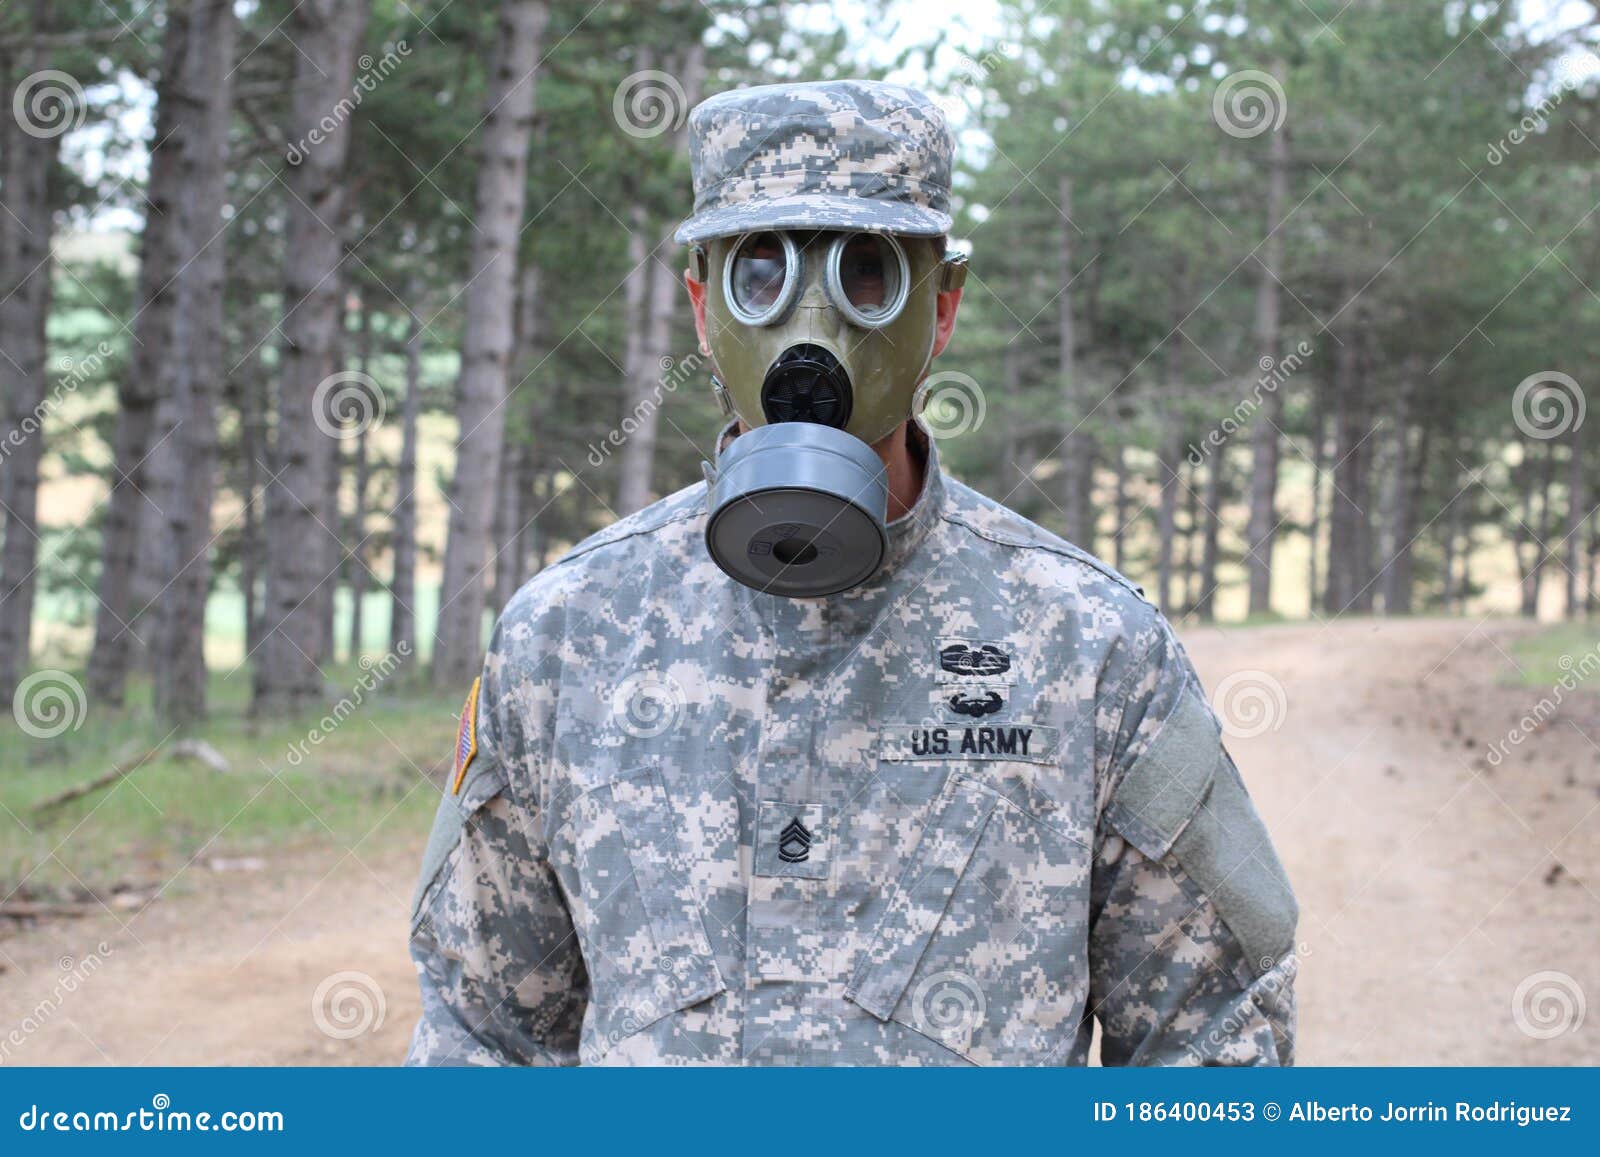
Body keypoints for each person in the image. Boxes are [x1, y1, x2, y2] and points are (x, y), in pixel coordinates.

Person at [405, 79, 1298, 1066]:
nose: (813, 328)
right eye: (761, 273)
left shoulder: (1093, 650)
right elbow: (477, 1036)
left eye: (867, 274)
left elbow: (1215, 1039)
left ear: (942, 307)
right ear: (702, 307)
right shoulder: (567, 639)